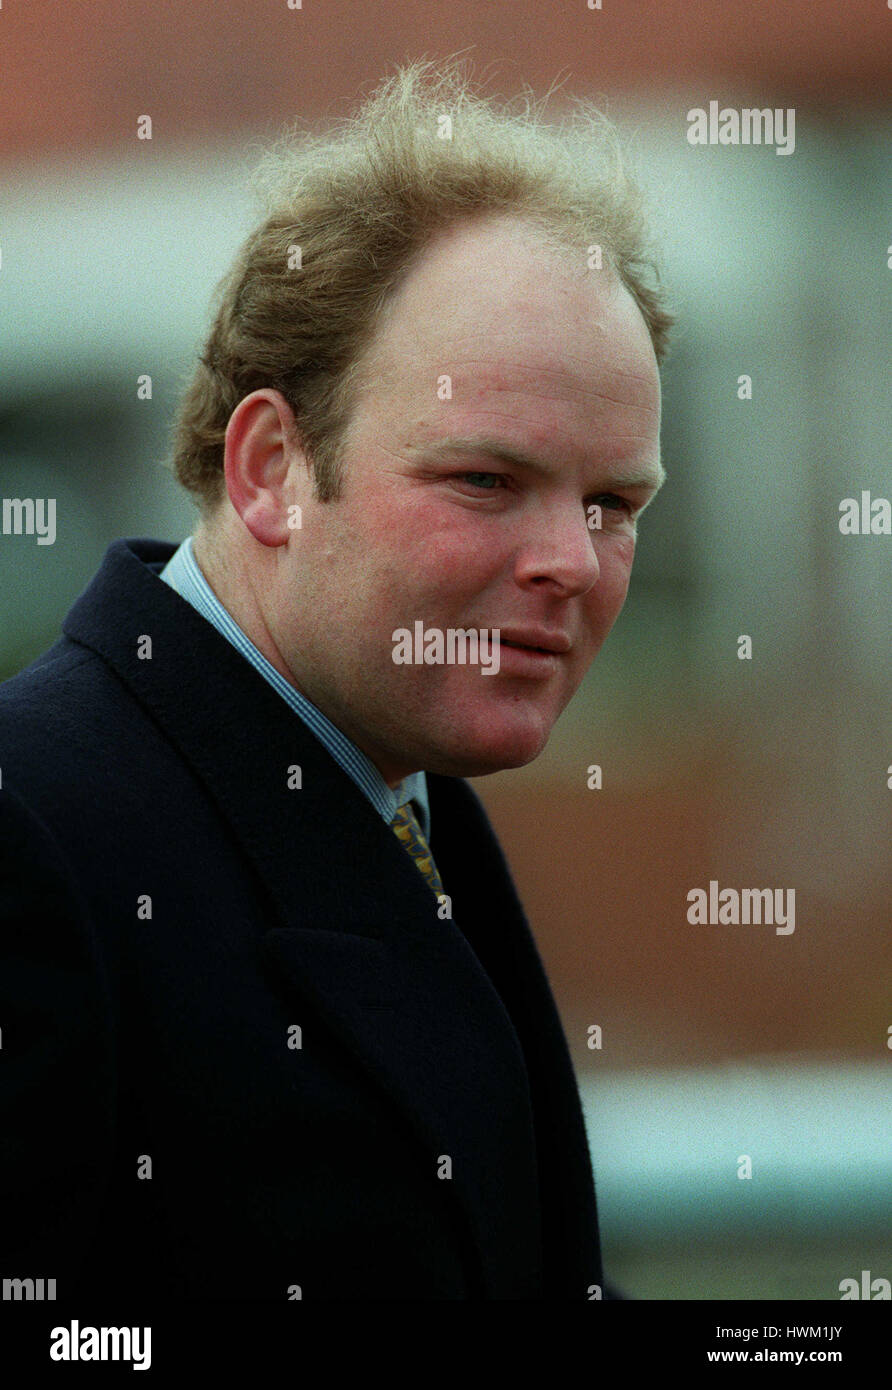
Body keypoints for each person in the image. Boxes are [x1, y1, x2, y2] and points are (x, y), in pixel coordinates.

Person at [0, 60, 671, 1301]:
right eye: (482, 481)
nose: (571, 564)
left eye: (612, 503)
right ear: (268, 470)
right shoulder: (33, 833)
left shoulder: (403, 795)